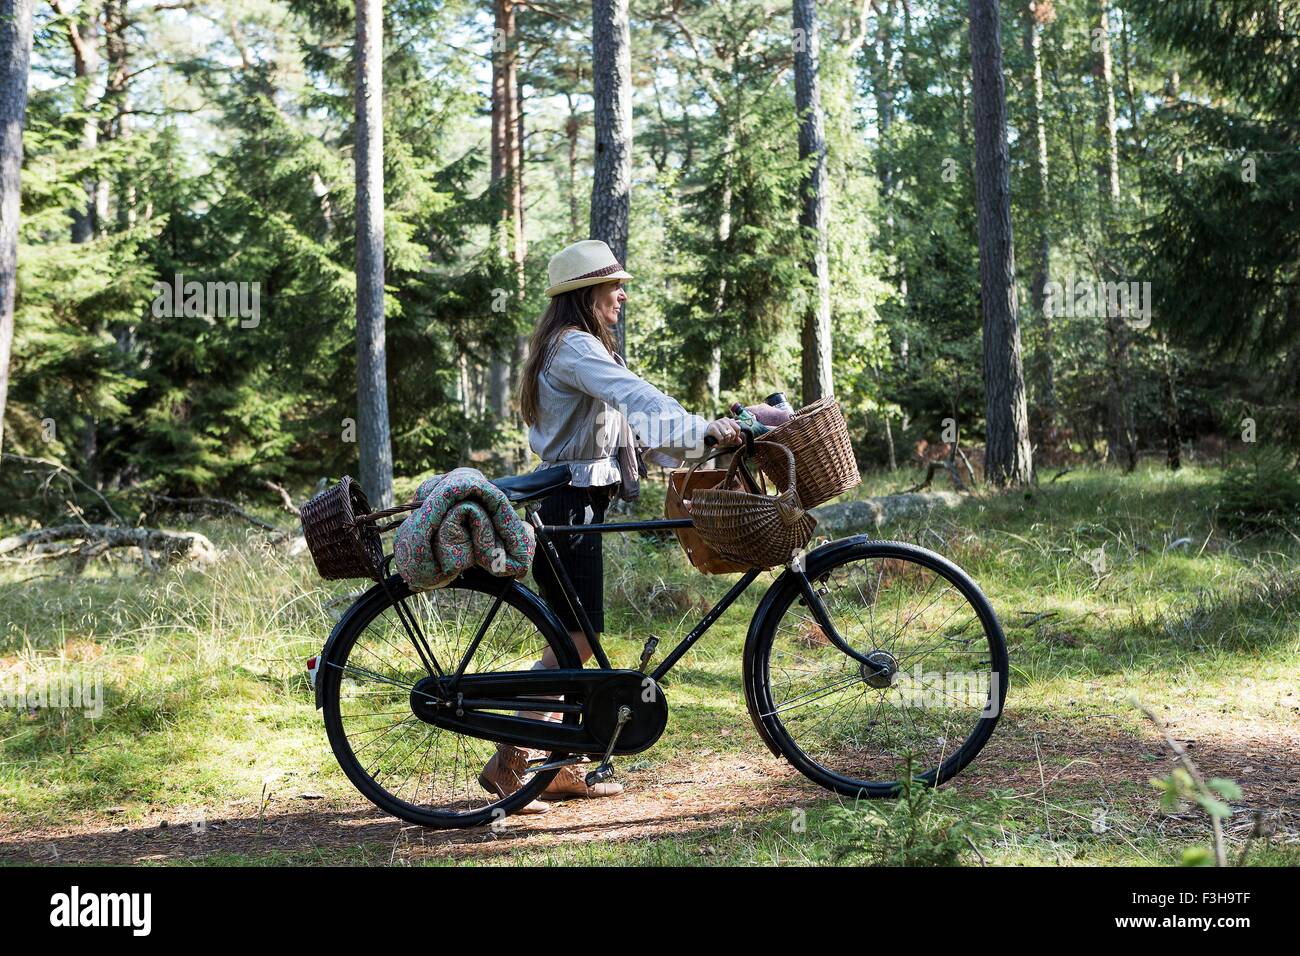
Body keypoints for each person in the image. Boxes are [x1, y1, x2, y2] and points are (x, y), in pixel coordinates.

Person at [477, 239, 743, 811]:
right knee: (574, 638)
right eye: (613, 285)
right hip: (566, 504)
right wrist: (701, 431)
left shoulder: (572, 346)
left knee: (576, 635)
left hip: (573, 501)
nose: (621, 294)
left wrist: (693, 439)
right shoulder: (573, 348)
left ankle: (555, 761)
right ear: (585, 293)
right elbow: (633, 395)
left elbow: (628, 415)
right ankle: (514, 755)